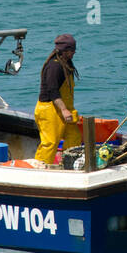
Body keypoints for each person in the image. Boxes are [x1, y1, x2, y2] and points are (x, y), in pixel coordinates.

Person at [34, 34, 81, 163]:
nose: (74, 53)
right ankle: (39, 169)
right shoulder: (54, 67)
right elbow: (53, 92)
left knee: (74, 137)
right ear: (64, 51)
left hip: (63, 109)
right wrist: (64, 110)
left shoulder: (66, 64)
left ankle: (68, 163)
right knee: (50, 142)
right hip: (50, 110)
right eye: (72, 51)